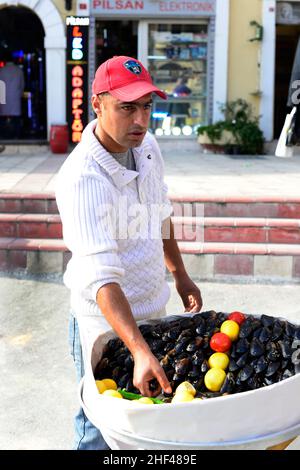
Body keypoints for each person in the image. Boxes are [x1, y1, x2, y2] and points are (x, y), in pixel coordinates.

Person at [55, 55, 202, 450]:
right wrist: (137, 348)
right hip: (101, 324)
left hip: (153, 310)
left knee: (146, 423)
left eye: (147, 106)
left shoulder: (148, 146)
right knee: (99, 424)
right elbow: (100, 275)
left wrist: (179, 272)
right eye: (126, 107)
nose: (140, 120)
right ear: (98, 104)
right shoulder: (82, 178)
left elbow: (162, 211)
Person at [0, 50, 24, 140]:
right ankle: (16, 136)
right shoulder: (19, 71)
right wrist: (19, 94)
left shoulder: (1, 71)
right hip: (15, 99)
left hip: (3, 99)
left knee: (2, 119)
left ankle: (3, 136)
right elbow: (22, 86)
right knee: (16, 119)